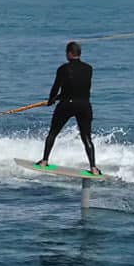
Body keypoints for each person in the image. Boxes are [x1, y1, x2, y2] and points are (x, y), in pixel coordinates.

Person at [36, 41, 100, 175]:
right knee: (86, 137)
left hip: (67, 104)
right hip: (84, 104)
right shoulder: (89, 68)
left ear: (69, 54)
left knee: (53, 133)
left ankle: (44, 161)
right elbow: (78, 87)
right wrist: (58, 97)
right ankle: (93, 167)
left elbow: (56, 88)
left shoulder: (63, 69)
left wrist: (51, 99)